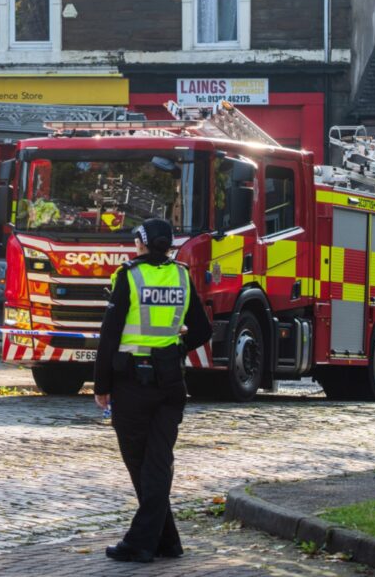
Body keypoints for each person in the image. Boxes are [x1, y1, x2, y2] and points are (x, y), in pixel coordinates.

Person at [94, 217, 212, 563]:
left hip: (132, 382)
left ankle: (140, 543)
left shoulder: (129, 276)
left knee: (141, 464)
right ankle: (168, 541)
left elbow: (110, 335)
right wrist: (176, 347)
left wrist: (101, 385)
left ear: (141, 244)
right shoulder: (182, 276)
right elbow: (203, 330)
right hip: (171, 380)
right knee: (158, 462)